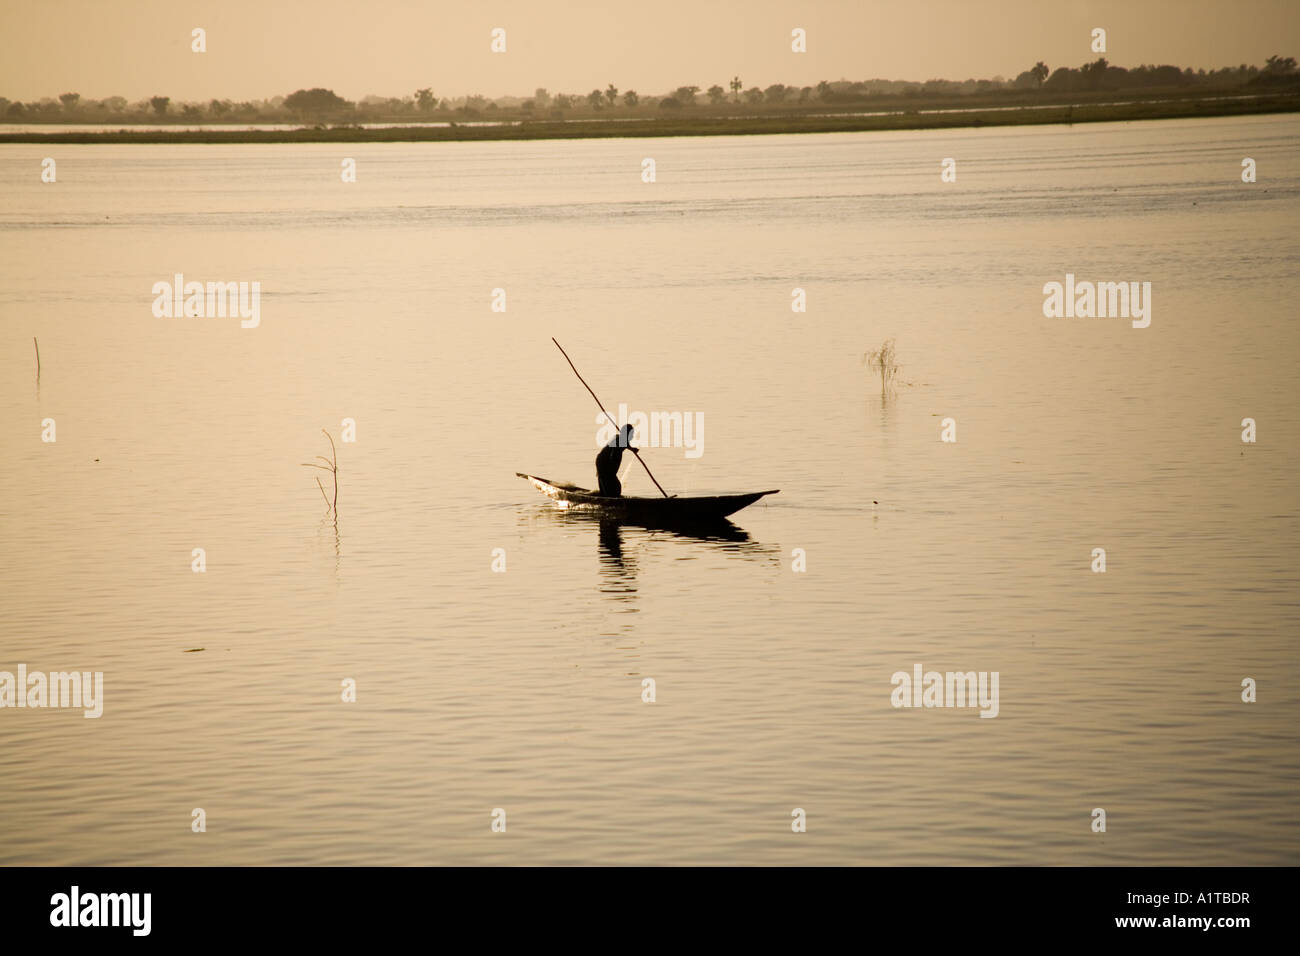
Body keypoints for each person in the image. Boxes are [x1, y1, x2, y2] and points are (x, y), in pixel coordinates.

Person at [596, 424, 636, 496]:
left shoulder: (623, 439)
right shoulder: (619, 440)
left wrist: (632, 449)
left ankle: (605, 495)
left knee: (615, 486)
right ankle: (607, 498)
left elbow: (626, 444)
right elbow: (614, 451)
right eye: (631, 434)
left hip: (605, 463)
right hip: (603, 463)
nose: (633, 436)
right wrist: (611, 462)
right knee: (611, 484)